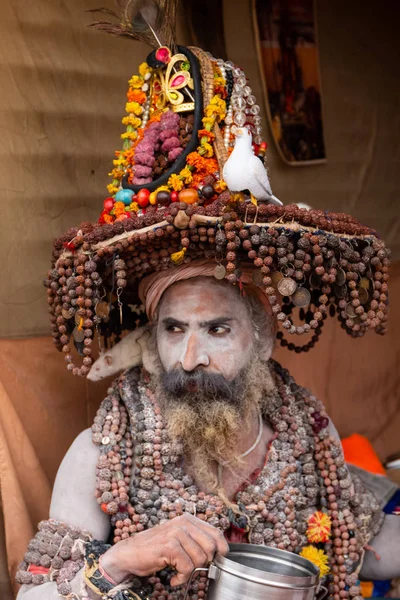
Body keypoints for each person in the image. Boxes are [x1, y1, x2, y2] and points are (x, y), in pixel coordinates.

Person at [15, 1, 396, 598]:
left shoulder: (301, 432)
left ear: (262, 334)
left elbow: (365, 547)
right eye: (172, 329)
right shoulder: (104, 453)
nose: (189, 357)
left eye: (217, 330)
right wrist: (122, 559)